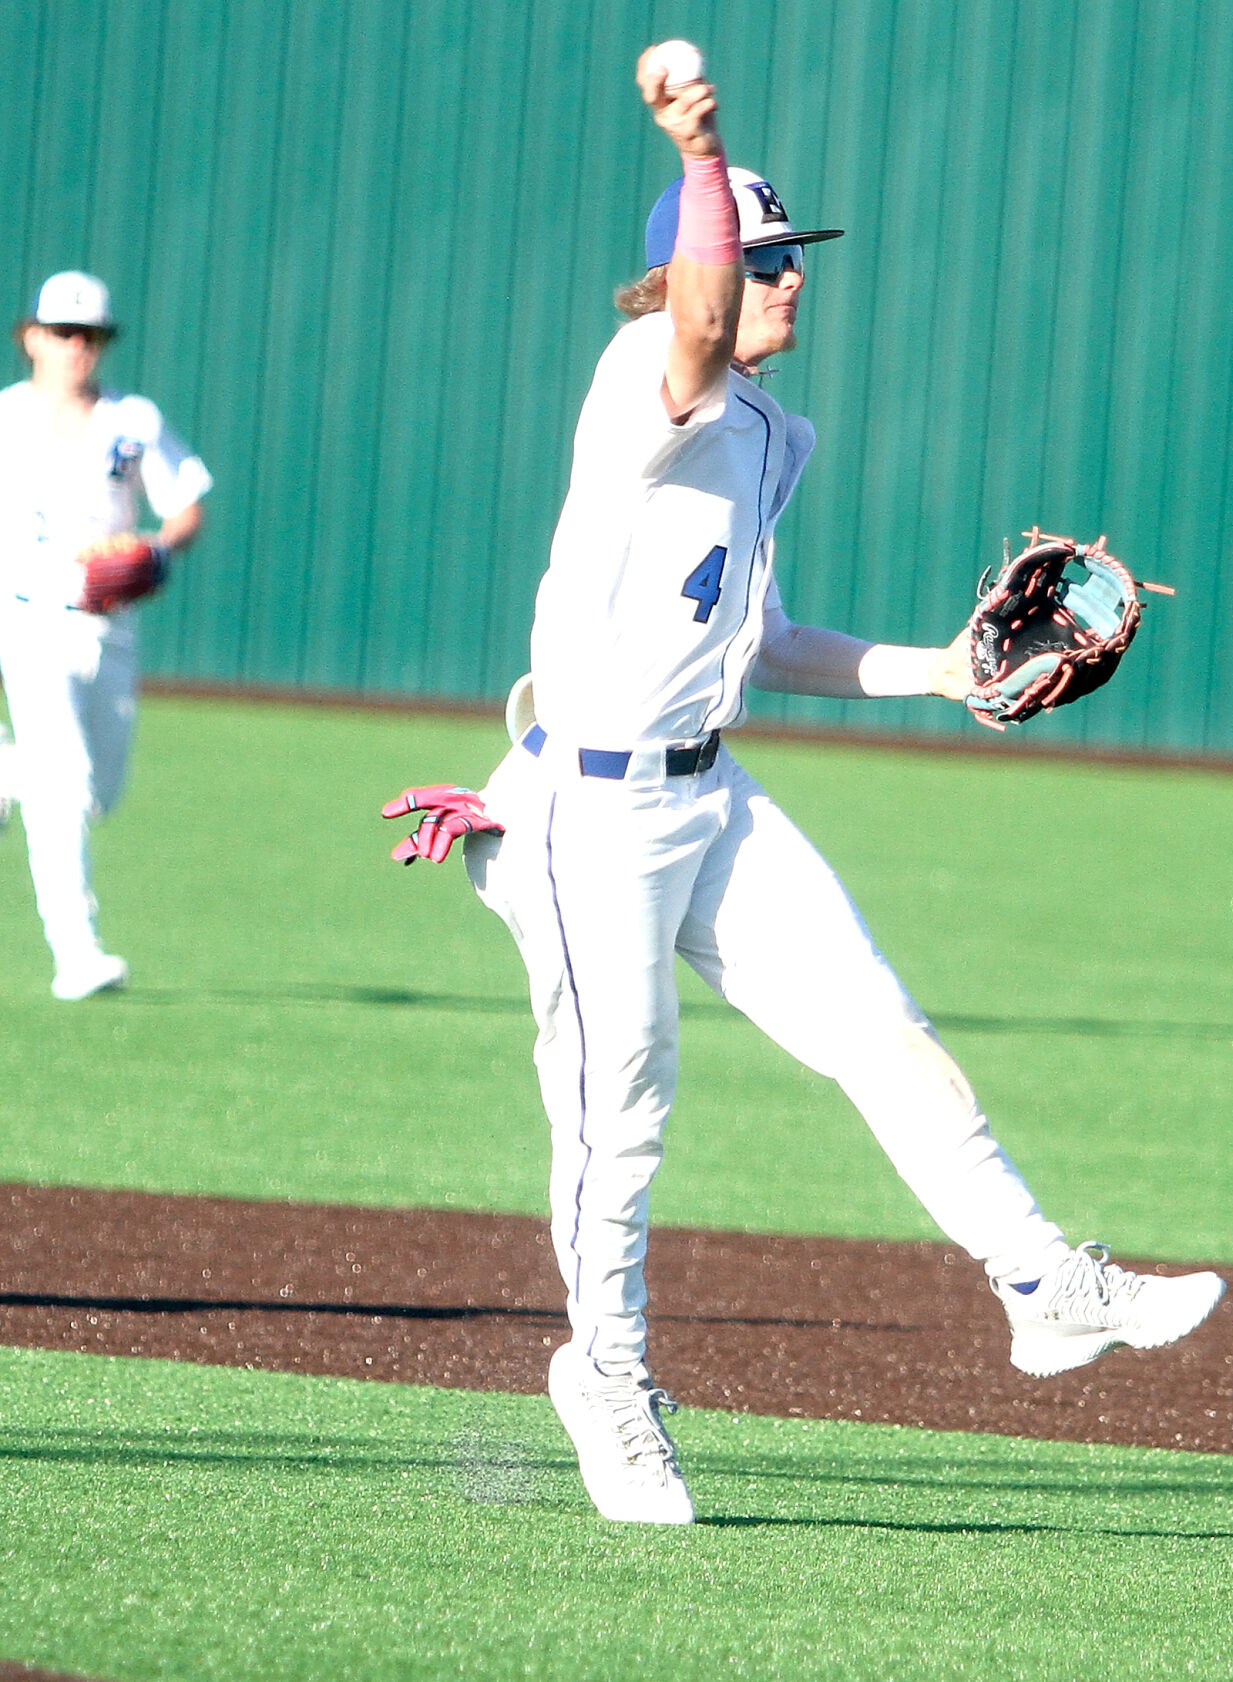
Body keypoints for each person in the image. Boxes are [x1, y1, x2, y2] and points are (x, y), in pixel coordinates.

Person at [392, 49, 1224, 1525]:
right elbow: (701, 320)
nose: (787, 278)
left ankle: (1046, 1284)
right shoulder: (649, 392)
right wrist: (700, 148)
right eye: (763, 256)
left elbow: (760, 640)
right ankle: (608, 1377)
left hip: (709, 795)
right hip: (593, 818)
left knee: (882, 1031)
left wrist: (944, 669)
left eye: (791, 254)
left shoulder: (771, 436)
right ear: (682, 279)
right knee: (620, 1115)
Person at [0, 272, 212, 999]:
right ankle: (76, 953)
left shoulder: (133, 421)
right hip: (27, 616)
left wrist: (155, 550)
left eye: (90, 336)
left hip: (109, 627)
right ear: (30, 336)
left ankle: (4, 773)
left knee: (99, 794)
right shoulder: (4, 419)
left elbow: (185, 502)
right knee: (62, 785)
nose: (75, 347)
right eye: (62, 332)